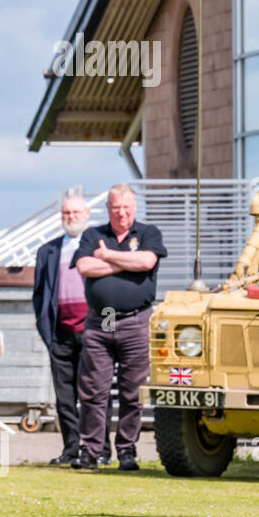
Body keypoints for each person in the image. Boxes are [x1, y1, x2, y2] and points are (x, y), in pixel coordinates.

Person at [71, 184, 166, 472]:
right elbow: (85, 267)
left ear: (134, 208)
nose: (121, 213)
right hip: (103, 318)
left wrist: (108, 257)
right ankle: (92, 451)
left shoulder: (148, 233)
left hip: (135, 318)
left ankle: (127, 451)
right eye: (115, 208)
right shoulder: (93, 235)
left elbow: (147, 261)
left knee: (132, 391)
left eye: (126, 207)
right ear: (108, 208)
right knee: (93, 391)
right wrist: (127, 264)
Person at [32, 191, 104, 466]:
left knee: (95, 396)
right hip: (60, 335)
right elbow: (39, 295)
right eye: (66, 213)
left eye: (76, 212)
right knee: (65, 398)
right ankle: (71, 449)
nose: (71, 217)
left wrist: (107, 330)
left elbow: (111, 294)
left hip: (94, 333)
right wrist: (46, 331)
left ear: (87, 215)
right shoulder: (48, 252)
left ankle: (98, 450)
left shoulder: (100, 247)